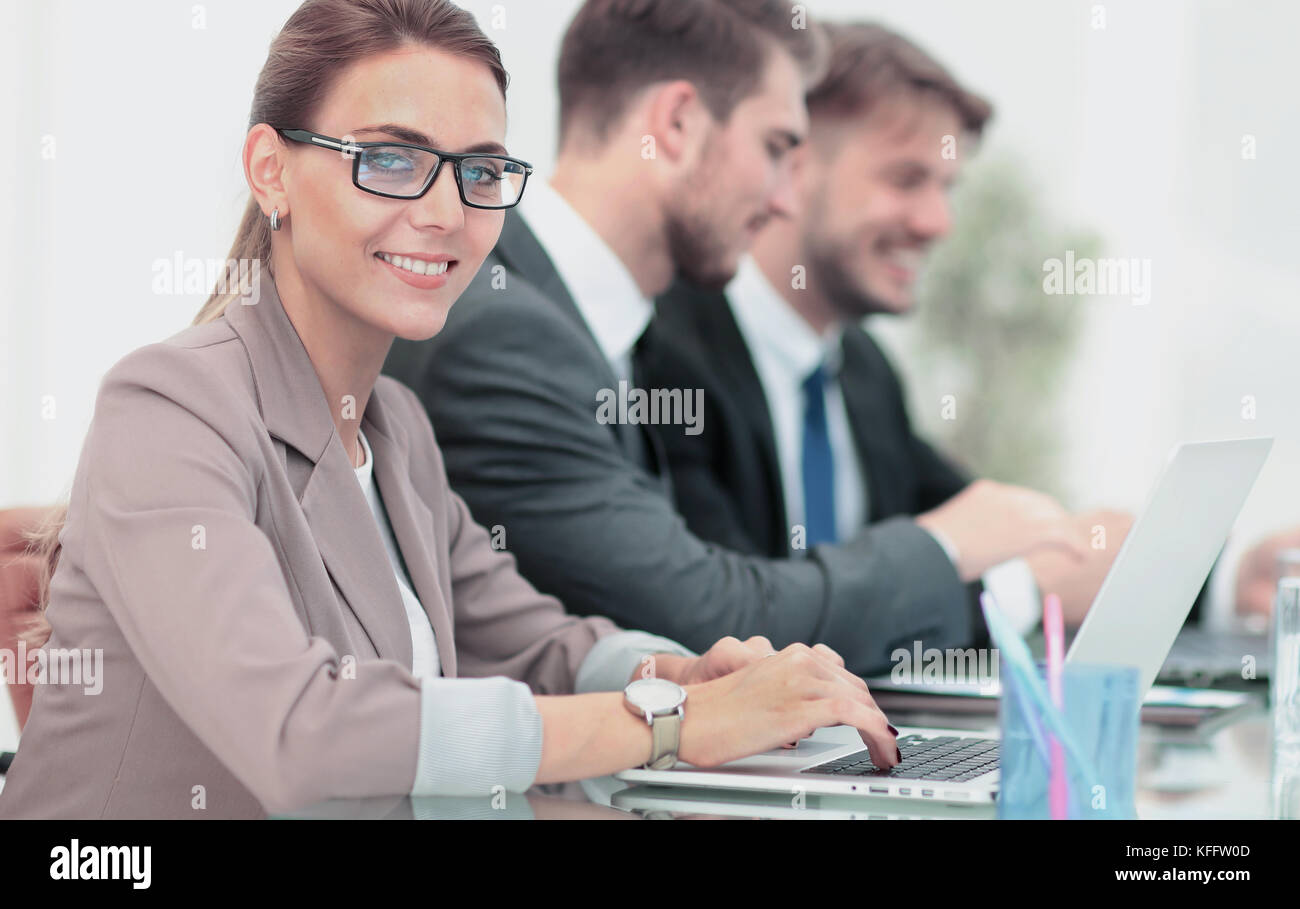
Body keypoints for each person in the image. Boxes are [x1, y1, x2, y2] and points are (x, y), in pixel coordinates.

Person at [0, 0, 900, 821]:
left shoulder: (393, 428)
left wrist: (677, 672)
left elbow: (535, 646)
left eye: (479, 171)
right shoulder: (166, 409)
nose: (444, 211)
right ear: (270, 172)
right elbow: (305, 738)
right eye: (390, 160)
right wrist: (674, 723)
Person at [385, 0, 1091, 675]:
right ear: (680, 123)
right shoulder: (504, 336)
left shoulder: (602, 330)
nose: (786, 196)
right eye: (777, 147)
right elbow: (706, 622)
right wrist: (947, 547)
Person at [642, 22, 1131, 630]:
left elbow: (993, 527)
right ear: (792, 165)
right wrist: (1016, 593)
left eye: (947, 188)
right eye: (906, 180)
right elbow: (735, 620)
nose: (938, 222)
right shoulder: (661, 352)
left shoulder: (863, 373)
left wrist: (1216, 578)